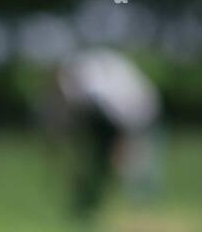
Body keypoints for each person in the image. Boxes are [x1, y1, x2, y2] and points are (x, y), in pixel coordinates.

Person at [53, 49, 162, 218]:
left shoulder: (97, 92)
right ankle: (92, 206)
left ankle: (142, 210)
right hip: (116, 114)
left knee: (134, 166)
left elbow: (121, 123)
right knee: (102, 167)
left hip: (137, 111)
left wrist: (120, 148)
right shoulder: (79, 79)